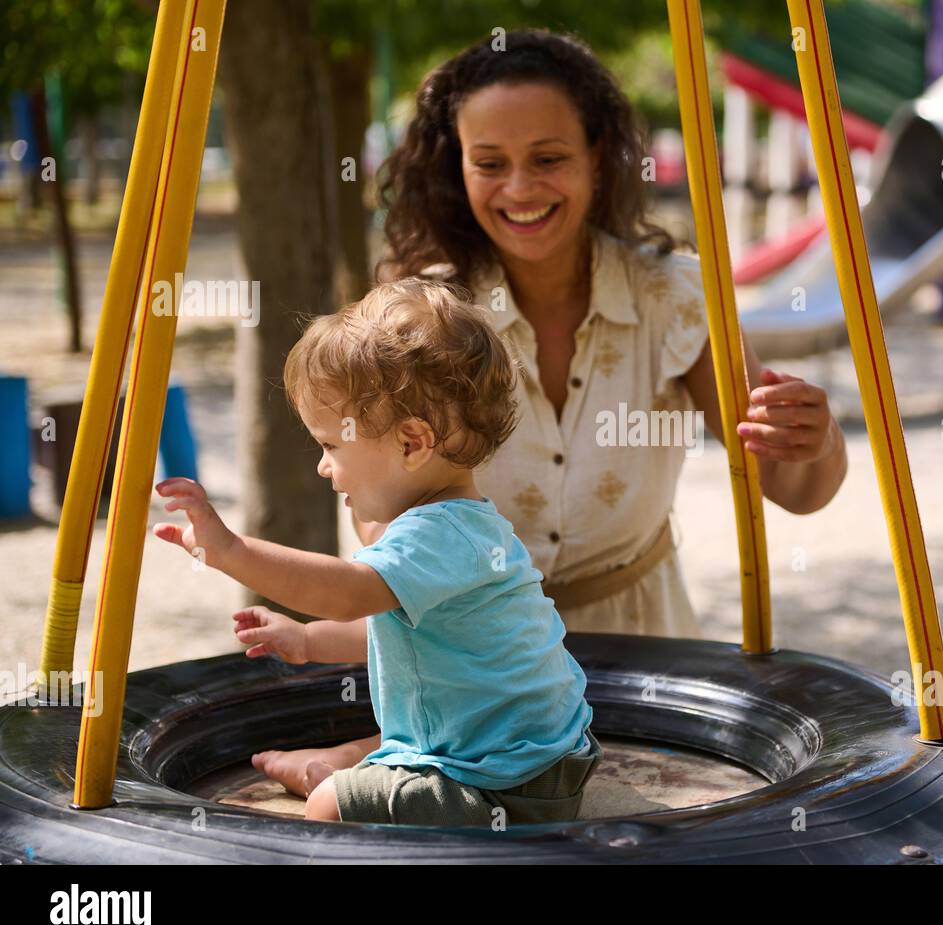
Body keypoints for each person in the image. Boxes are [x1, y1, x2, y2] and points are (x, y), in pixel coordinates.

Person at [252, 27, 849, 798]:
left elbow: (792, 489)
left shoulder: (673, 296)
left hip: (643, 645)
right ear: (455, 168)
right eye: (490, 164)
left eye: (549, 158)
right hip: (470, 653)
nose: (521, 188)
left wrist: (815, 441)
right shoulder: (426, 317)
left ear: (599, 159)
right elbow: (381, 508)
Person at [153, 279, 602, 826]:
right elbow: (400, 631)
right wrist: (305, 639)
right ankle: (343, 766)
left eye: (331, 445)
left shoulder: (438, 534)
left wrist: (229, 550)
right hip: (528, 761)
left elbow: (345, 593)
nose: (323, 466)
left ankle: (334, 781)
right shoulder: (465, 527)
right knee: (374, 763)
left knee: (327, 808)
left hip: (503, 786)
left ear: (412, 443)